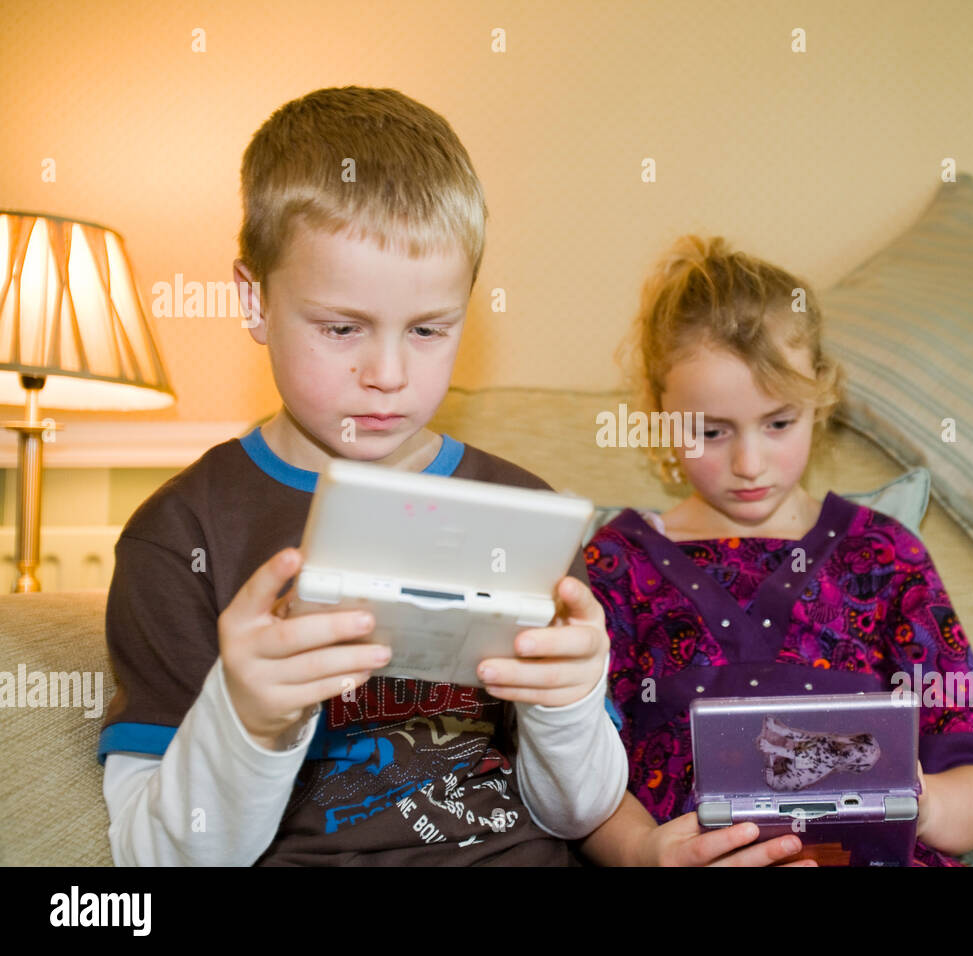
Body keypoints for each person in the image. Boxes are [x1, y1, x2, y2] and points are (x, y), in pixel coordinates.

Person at [97, 86, 629, 865]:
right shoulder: (180, 536)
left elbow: (576, 812)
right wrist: (246, 717)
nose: (386, 374)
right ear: (253, 300)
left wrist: (571, 699)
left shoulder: (522, 512)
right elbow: (159, 860)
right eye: (342, 328)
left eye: (427, 330)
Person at [582, 235, 973, 866]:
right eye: (711, 431)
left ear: (821, 397)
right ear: (658, 413)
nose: (749, 463)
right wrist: (643, 853)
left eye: (779, 423)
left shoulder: (885, 555)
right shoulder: (617, 562)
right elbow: (580, 770)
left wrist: (920, 801)